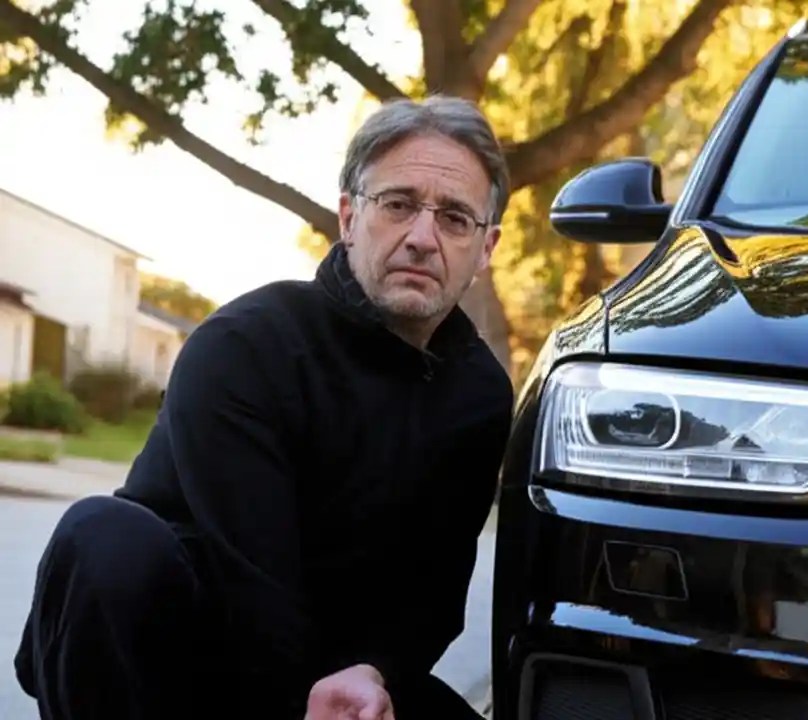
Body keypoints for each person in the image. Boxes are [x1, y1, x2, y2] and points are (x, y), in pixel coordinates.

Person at [13, 95, 515, 720]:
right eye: (398, 204)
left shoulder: (480, 396)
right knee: (102, 536)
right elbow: (252, 580)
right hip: (178, 664)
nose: (421, 237)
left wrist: (375, 670)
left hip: (343, 679)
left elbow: (434, 592)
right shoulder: (245, 344)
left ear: (486, 247)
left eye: (455, 218)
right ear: (349, 216)